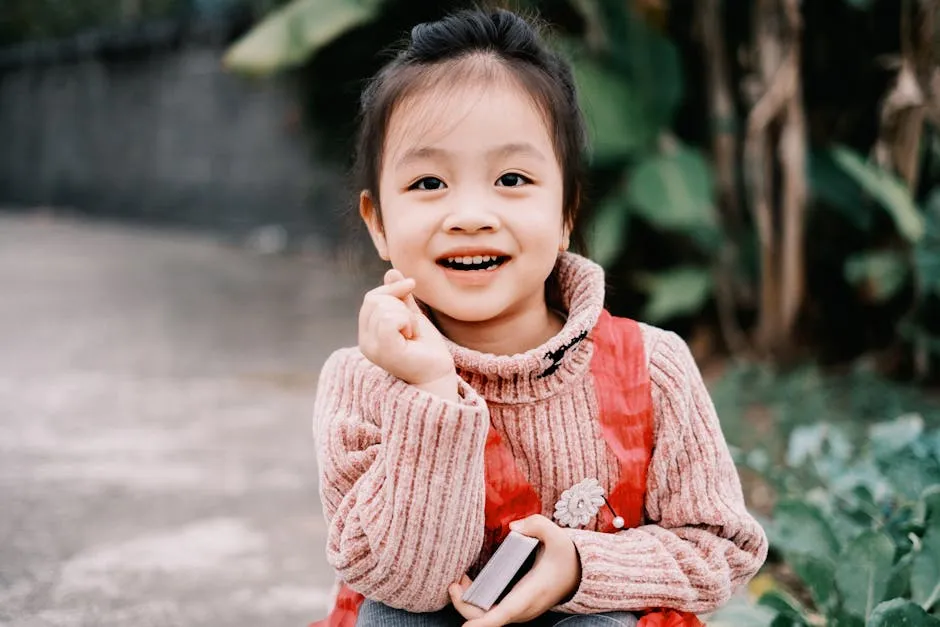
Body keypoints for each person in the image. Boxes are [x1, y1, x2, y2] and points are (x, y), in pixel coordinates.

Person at [311, 7, 768, 627]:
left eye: (512, 177)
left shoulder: (651, 367)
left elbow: (720, 549)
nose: (470, 213)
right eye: (427, 183)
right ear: (379, 224)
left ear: (565, 215)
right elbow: (398, 584)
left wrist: (579, 568)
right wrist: (432, 393)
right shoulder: (361, 382)